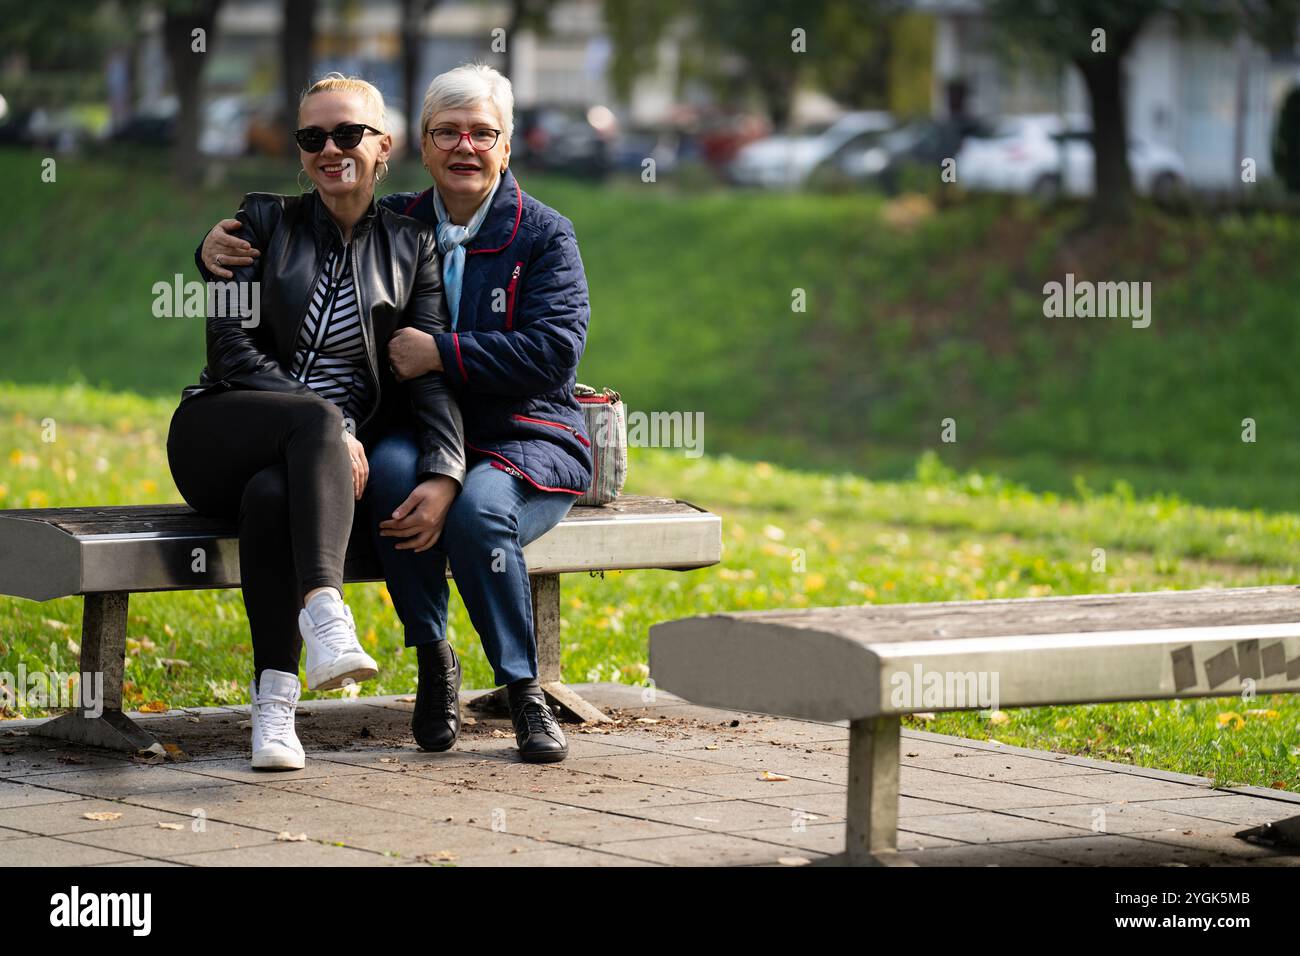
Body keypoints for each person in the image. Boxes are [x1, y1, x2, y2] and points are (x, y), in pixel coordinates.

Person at [200, 64, 593, 763]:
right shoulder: (403, 221)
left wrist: (443, 353)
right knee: (388, 482)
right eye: (447, 133)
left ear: (506, 146)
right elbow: (304, 228)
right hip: (418, 431)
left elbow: (555, 352)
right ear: (420, 144)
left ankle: (523, 688)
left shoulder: (544, 235)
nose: (464, 147)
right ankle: (434, 658)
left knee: (476, 516)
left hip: (520, 437)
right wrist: (206, 253)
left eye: (482, 133)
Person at [173, 73, 464, 770]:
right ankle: (327, 612)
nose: (330, 149)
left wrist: (446, 469)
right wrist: (332, 421)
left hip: (310, 470)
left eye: (347, 133)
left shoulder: (413, 245)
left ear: (383, 144)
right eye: (312, 137)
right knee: (310, 428)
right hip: (222, 430)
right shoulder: (260, 222)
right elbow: (230, 349)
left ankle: (274, 709)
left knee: (273, 498)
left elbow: (427, 371)